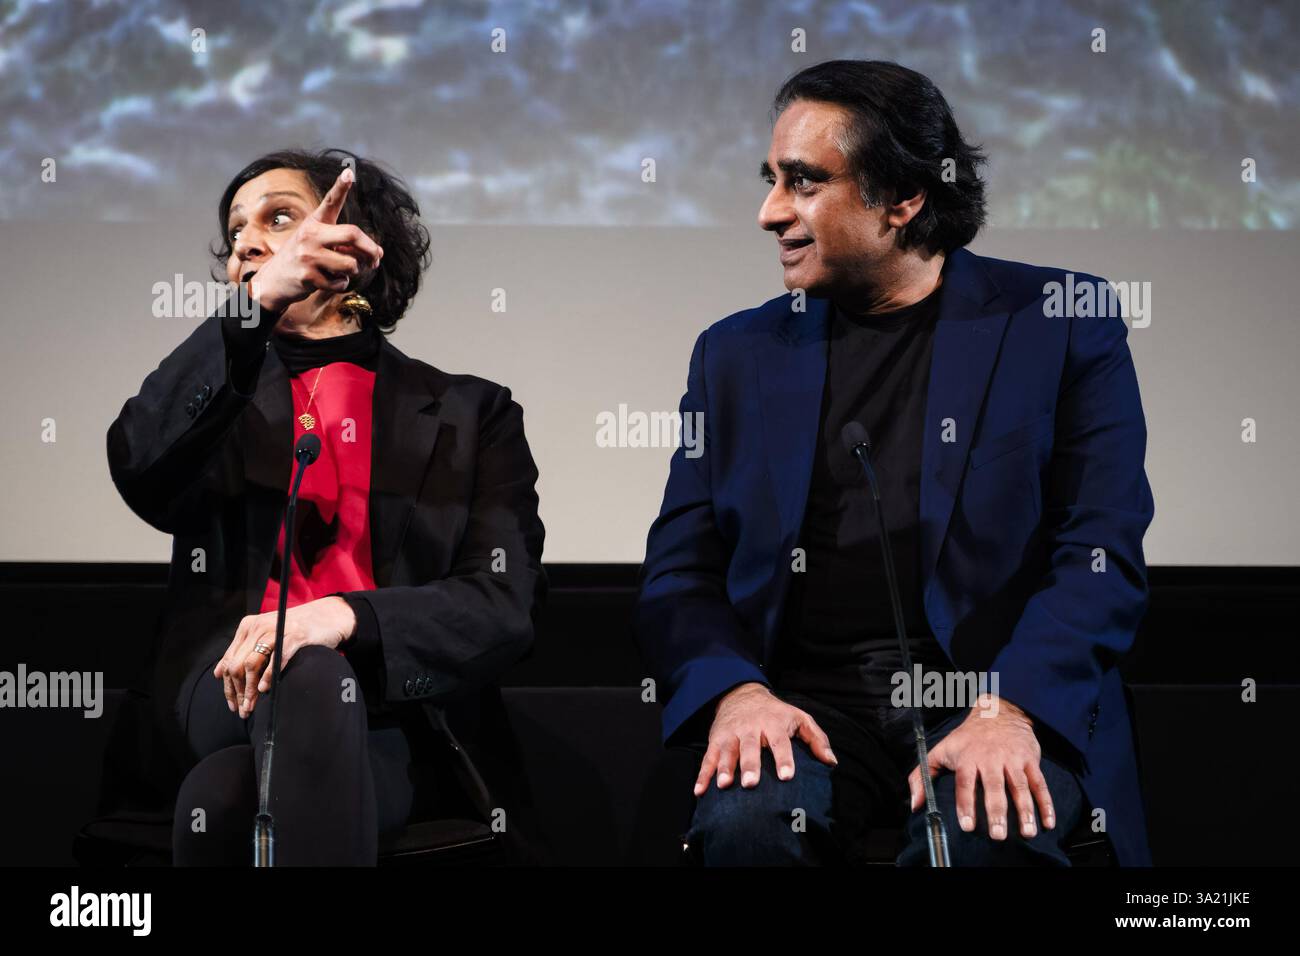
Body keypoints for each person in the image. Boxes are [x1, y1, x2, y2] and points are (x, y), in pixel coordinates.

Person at [633, 60, 1154, 866]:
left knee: (982, 828)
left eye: (803, 183)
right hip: (804, 708)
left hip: (990, 695)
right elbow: (680, 570)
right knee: (748, 827)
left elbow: (1101, 550)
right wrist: (737, 693)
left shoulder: (1060, 324)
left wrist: (1010, 709)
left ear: (903, 200)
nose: (770, 213)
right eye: (771, 180)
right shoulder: (734, 354)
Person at [106, 148, 546, 865]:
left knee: (221, 804)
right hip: (223, 692)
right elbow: (137, 464)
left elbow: (504, 603)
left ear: (353, 244)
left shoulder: (473, 414)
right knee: (304, 674)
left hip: (389, 717)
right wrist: (248, 314)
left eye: (278, 217)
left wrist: (344, 617)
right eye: (236, 232)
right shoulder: (219, 400)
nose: (246, 240)